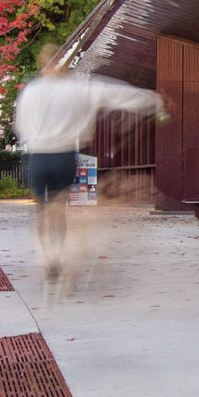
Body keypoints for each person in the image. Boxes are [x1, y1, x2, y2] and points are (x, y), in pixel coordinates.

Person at [14, 51, 164, 283]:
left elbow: (20, 126)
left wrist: (33, 138)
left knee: (43, 209)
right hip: (64, 155)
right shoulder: (78, 88)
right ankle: (57, 253)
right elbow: (116, 94)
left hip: (38, 156)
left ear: (43, 66)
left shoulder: (30, 92)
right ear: (64, 68)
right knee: (59, 207)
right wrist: (155, 100)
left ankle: (50, 258)